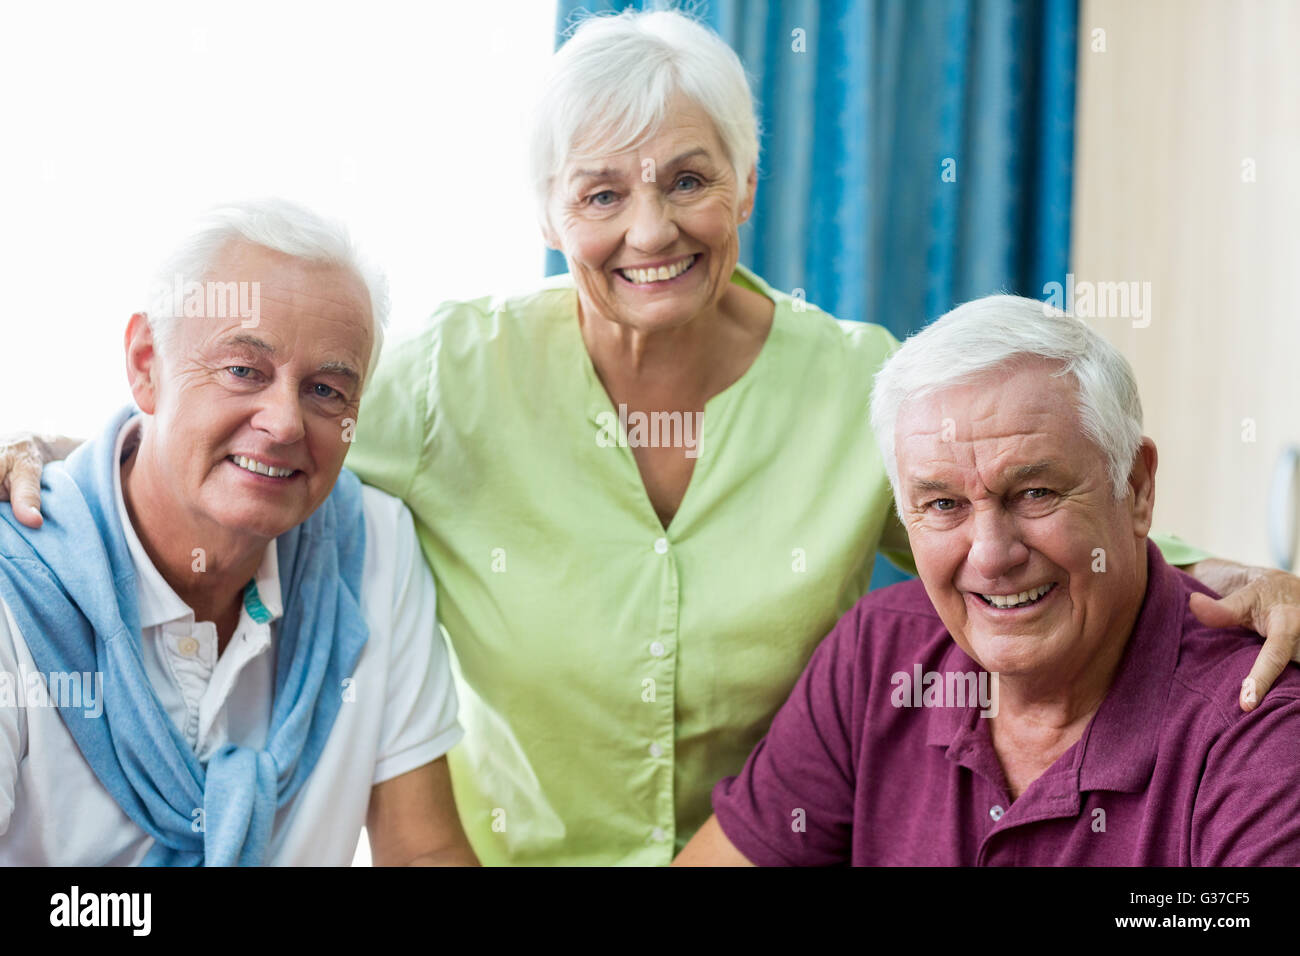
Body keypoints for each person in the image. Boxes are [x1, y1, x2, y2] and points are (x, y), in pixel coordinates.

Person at [3, 10, 1299, 866]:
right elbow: (265, 438)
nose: (649, 231)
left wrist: (1250, 583)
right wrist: (73, 460)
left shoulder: (856, 381)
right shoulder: (453, 378)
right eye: (602, 193)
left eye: (687, 179)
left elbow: (1036, 511)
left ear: (746, 182)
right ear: (549, 212)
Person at [676, 295, 1300, 865]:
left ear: (1135, 487)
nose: (992, 555)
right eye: (943, 505)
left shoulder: (1263, 726)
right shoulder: (879, 656)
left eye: (1035, 492)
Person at [0, 199, 477, 866]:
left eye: (325, 391)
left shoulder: (373, 544)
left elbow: (423, 851)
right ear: (146, 364)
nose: (284, 423)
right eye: (243, 371)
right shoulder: (15, 588)